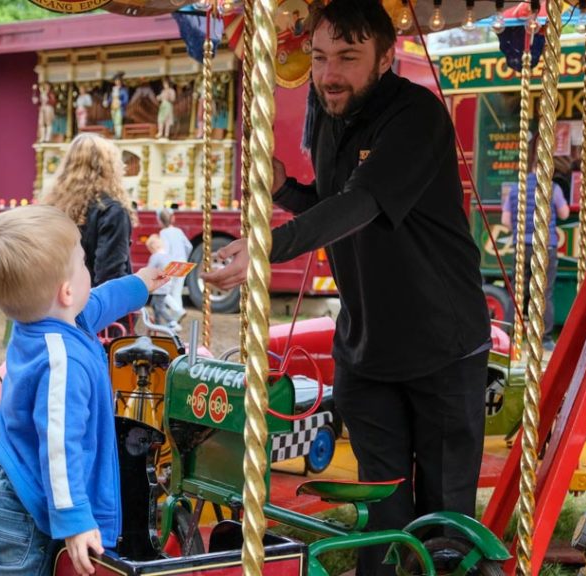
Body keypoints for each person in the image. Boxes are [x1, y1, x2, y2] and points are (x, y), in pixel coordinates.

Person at [202, 2, 490, 574]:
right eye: (320, 57)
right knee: (379, 515)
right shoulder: (329, 111)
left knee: (444, 523)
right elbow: (334, 203)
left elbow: (363, 204)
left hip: (442, 342)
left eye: (348, 58)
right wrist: (285, 190)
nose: (329, 74)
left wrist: (265, 248)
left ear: (385, 58)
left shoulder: (416, 116)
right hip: (368, 344)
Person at [0, 204, 167, 576]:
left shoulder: (40, 323)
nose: (90, 271)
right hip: (25, 508)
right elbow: (59, 445)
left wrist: (140, 284)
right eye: (84, 264)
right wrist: (74, 519)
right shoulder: (63, 362)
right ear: (67, 291)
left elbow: (101, 302)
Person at [500, 135, 570, 350]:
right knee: (544, 292)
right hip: (545, 246)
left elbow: (505, 220)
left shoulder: (515, 188)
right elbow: (565, 214)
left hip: (522, 245)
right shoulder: (552, 188)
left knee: (517, 291)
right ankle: (545, 338)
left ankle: (511, 334)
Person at [40, 133, 136, 287]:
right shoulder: (112, 211)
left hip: (53, 303)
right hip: (91, 305)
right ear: (109, 168)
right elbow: (110, 277)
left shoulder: (51, 206)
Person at [157, 208, 192, 326]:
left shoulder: (163, 233)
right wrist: (184, 257)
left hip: (172, 264)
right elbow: (189, 246)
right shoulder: (178, 231)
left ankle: (178, 310)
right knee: (177, 292)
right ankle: (176, 321)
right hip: (183, 263)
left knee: (162, 291)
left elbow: (165, 250)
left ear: (160, 221)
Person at [145, 234, 173, 326]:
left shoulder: (156, 256)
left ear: (153, 247)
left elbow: (150, 269)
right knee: (154, 304)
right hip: (167, 285)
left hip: (159, 287)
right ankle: (157, 323)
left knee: (159, 306)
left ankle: (171, 321)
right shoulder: (167, 256)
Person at [104, 73, 129, 139]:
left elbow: (126, 100)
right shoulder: (114, 90)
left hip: (119, 108)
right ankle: (116, 133)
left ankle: (118, 135)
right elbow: (111, 98)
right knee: (114, 121)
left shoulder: (123, 90)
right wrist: (107, 102)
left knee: (118, 121)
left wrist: (121, 102)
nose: (117, 82)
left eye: (118, 81)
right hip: (113, 108)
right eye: (116, 81)